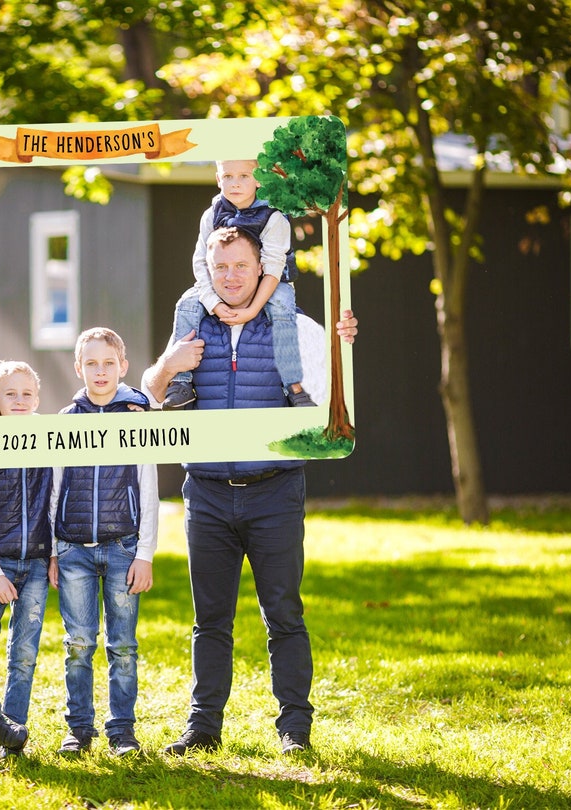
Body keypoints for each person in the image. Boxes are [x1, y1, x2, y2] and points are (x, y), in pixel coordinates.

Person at [142, 227, 357, 757]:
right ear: (208, 272)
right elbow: (150, 394)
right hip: (208, 493)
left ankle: (295, 728)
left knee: (283, 612)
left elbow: (334, 384)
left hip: (274, 490)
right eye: (221, 268)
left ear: (262, 267)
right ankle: (203, 726)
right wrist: (170, 365)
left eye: (241, 266)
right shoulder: (193, 326)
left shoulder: (290, 325)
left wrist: (342, 337)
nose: (231, 277)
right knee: (210, 619)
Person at [48, 327, 159, 757]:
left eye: (108, 363)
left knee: (123, 646)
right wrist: (55, 550)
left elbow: (148, 487)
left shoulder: (136, 416)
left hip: (122, 546)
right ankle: (78, 729)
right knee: (78, 644)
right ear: (78, 368)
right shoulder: (65, 422)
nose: (100, 371)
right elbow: (54, 488)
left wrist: (144, 554)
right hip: (73, 550)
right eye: (91, 363)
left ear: (123, 367)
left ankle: (122, 732)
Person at [163, 159, 314, 410]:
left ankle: (294, 388)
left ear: (258, 179)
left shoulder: (274, 216)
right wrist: (212, 302)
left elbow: (273, 266)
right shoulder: (211, 215)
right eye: (228, 176)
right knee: (188, 302)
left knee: (282, 303)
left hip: (272, 281)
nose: (235, 184)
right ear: (218, 179)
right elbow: (201, 261)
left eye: (244, 176)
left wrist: (252, 310)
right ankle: (181, 383)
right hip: (213, 289)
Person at [0, 361, 56, 760]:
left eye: (26, 394)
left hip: (36, 562)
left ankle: (12, 735)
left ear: (37, 398)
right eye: (9, 394)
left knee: (25, 651)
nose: (19, 401)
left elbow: (55, 502)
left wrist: (52, 554)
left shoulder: (50, 437)